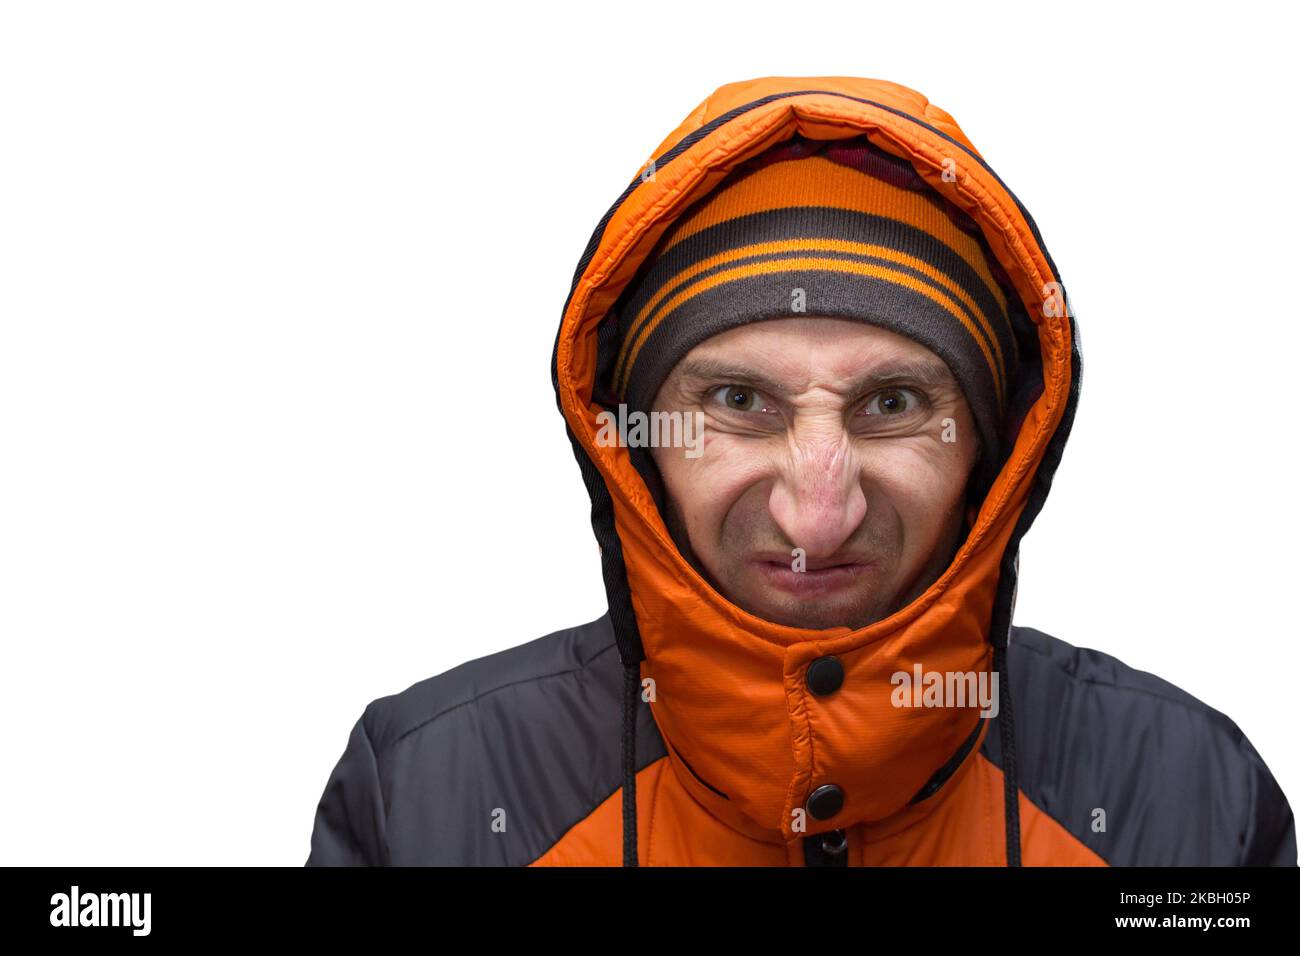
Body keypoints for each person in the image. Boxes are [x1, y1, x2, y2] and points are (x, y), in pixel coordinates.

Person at [306, 75, 1296, 866]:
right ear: (635, 440)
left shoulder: (1187, 800)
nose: (816, 511)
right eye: (738, 403)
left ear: (995, 446)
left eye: (893, 404)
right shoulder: (423, 795)